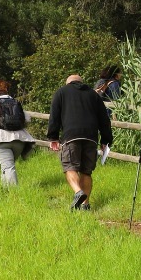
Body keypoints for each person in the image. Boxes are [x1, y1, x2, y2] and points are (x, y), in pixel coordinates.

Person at [46, 74, 113, 211]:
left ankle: (78, 192)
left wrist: (53, 137)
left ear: (68, 83)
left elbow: (54, 116)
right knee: (86, 172)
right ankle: (85, 205)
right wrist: (106, 139)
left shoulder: (61, 92)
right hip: (91, 137)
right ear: (81, 82)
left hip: (71, 136)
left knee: (69, 167)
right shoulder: (93, 95)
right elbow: (104, 119)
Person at [0, 79, 34, 187]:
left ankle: (14, 193)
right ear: (7, 90)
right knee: (6, 166)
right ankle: (5, 190)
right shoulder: (17, 105)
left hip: (1, 140)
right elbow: (27, 120)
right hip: (19, 140)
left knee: (8, 166)